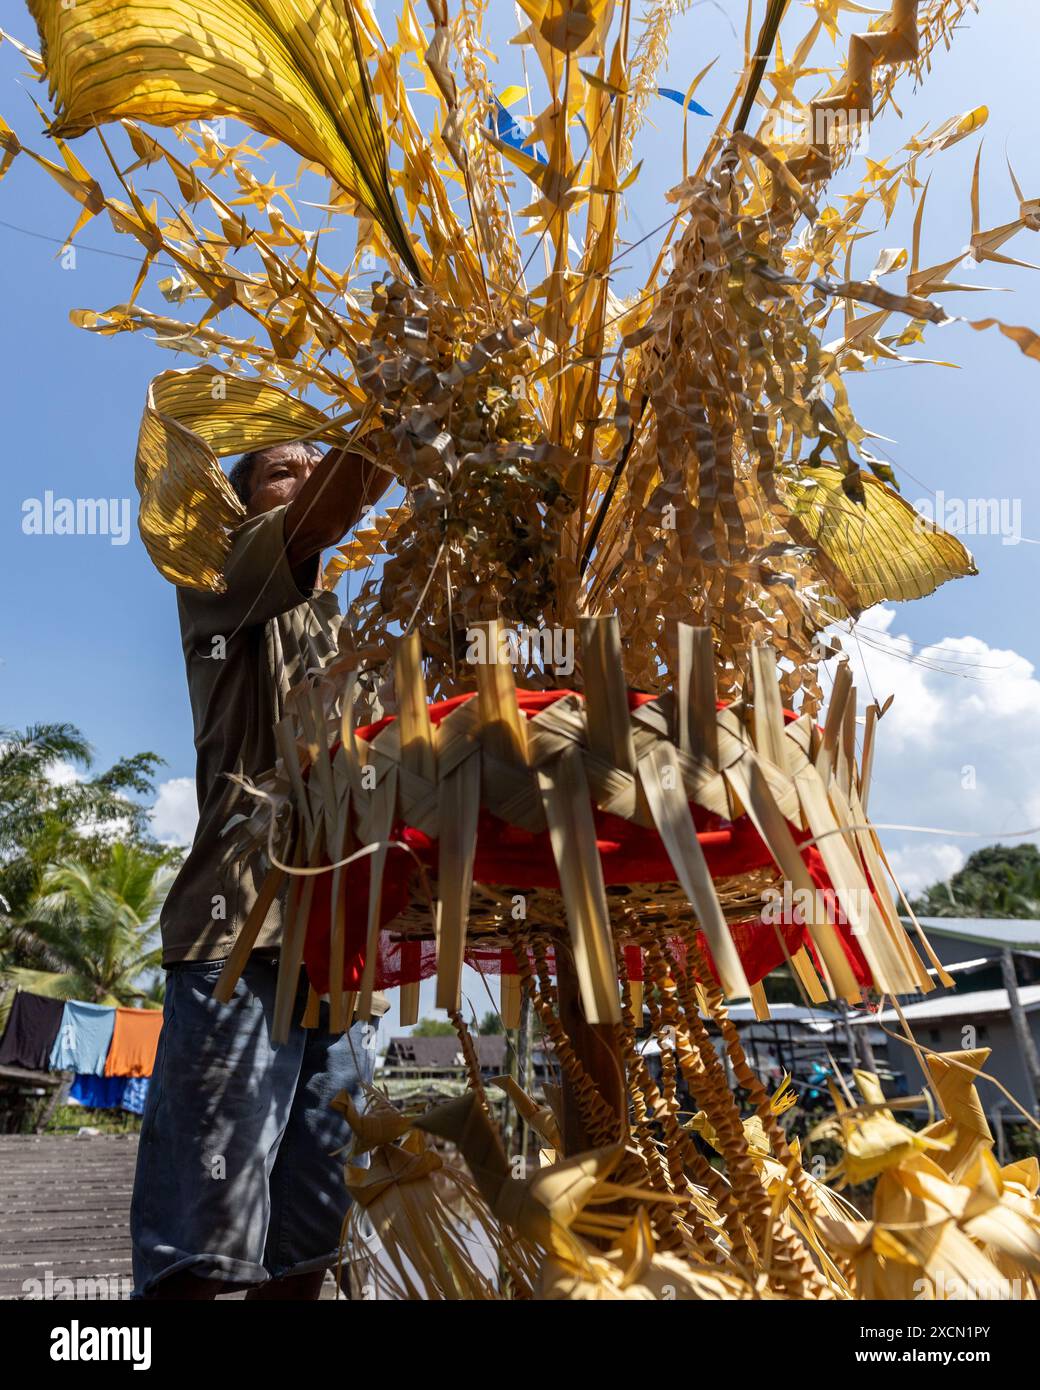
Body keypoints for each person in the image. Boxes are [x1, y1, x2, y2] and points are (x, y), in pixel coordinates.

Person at [131, 440, 389, 1300]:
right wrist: (421, 400)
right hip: (239, 938)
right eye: (285, 469)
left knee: (311, 1240)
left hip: (339, 965)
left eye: (321, 460)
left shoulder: (351, 638)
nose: (310, 474)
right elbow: (331, 508)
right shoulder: (220, 581)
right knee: (206, 1245)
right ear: (245, 509)